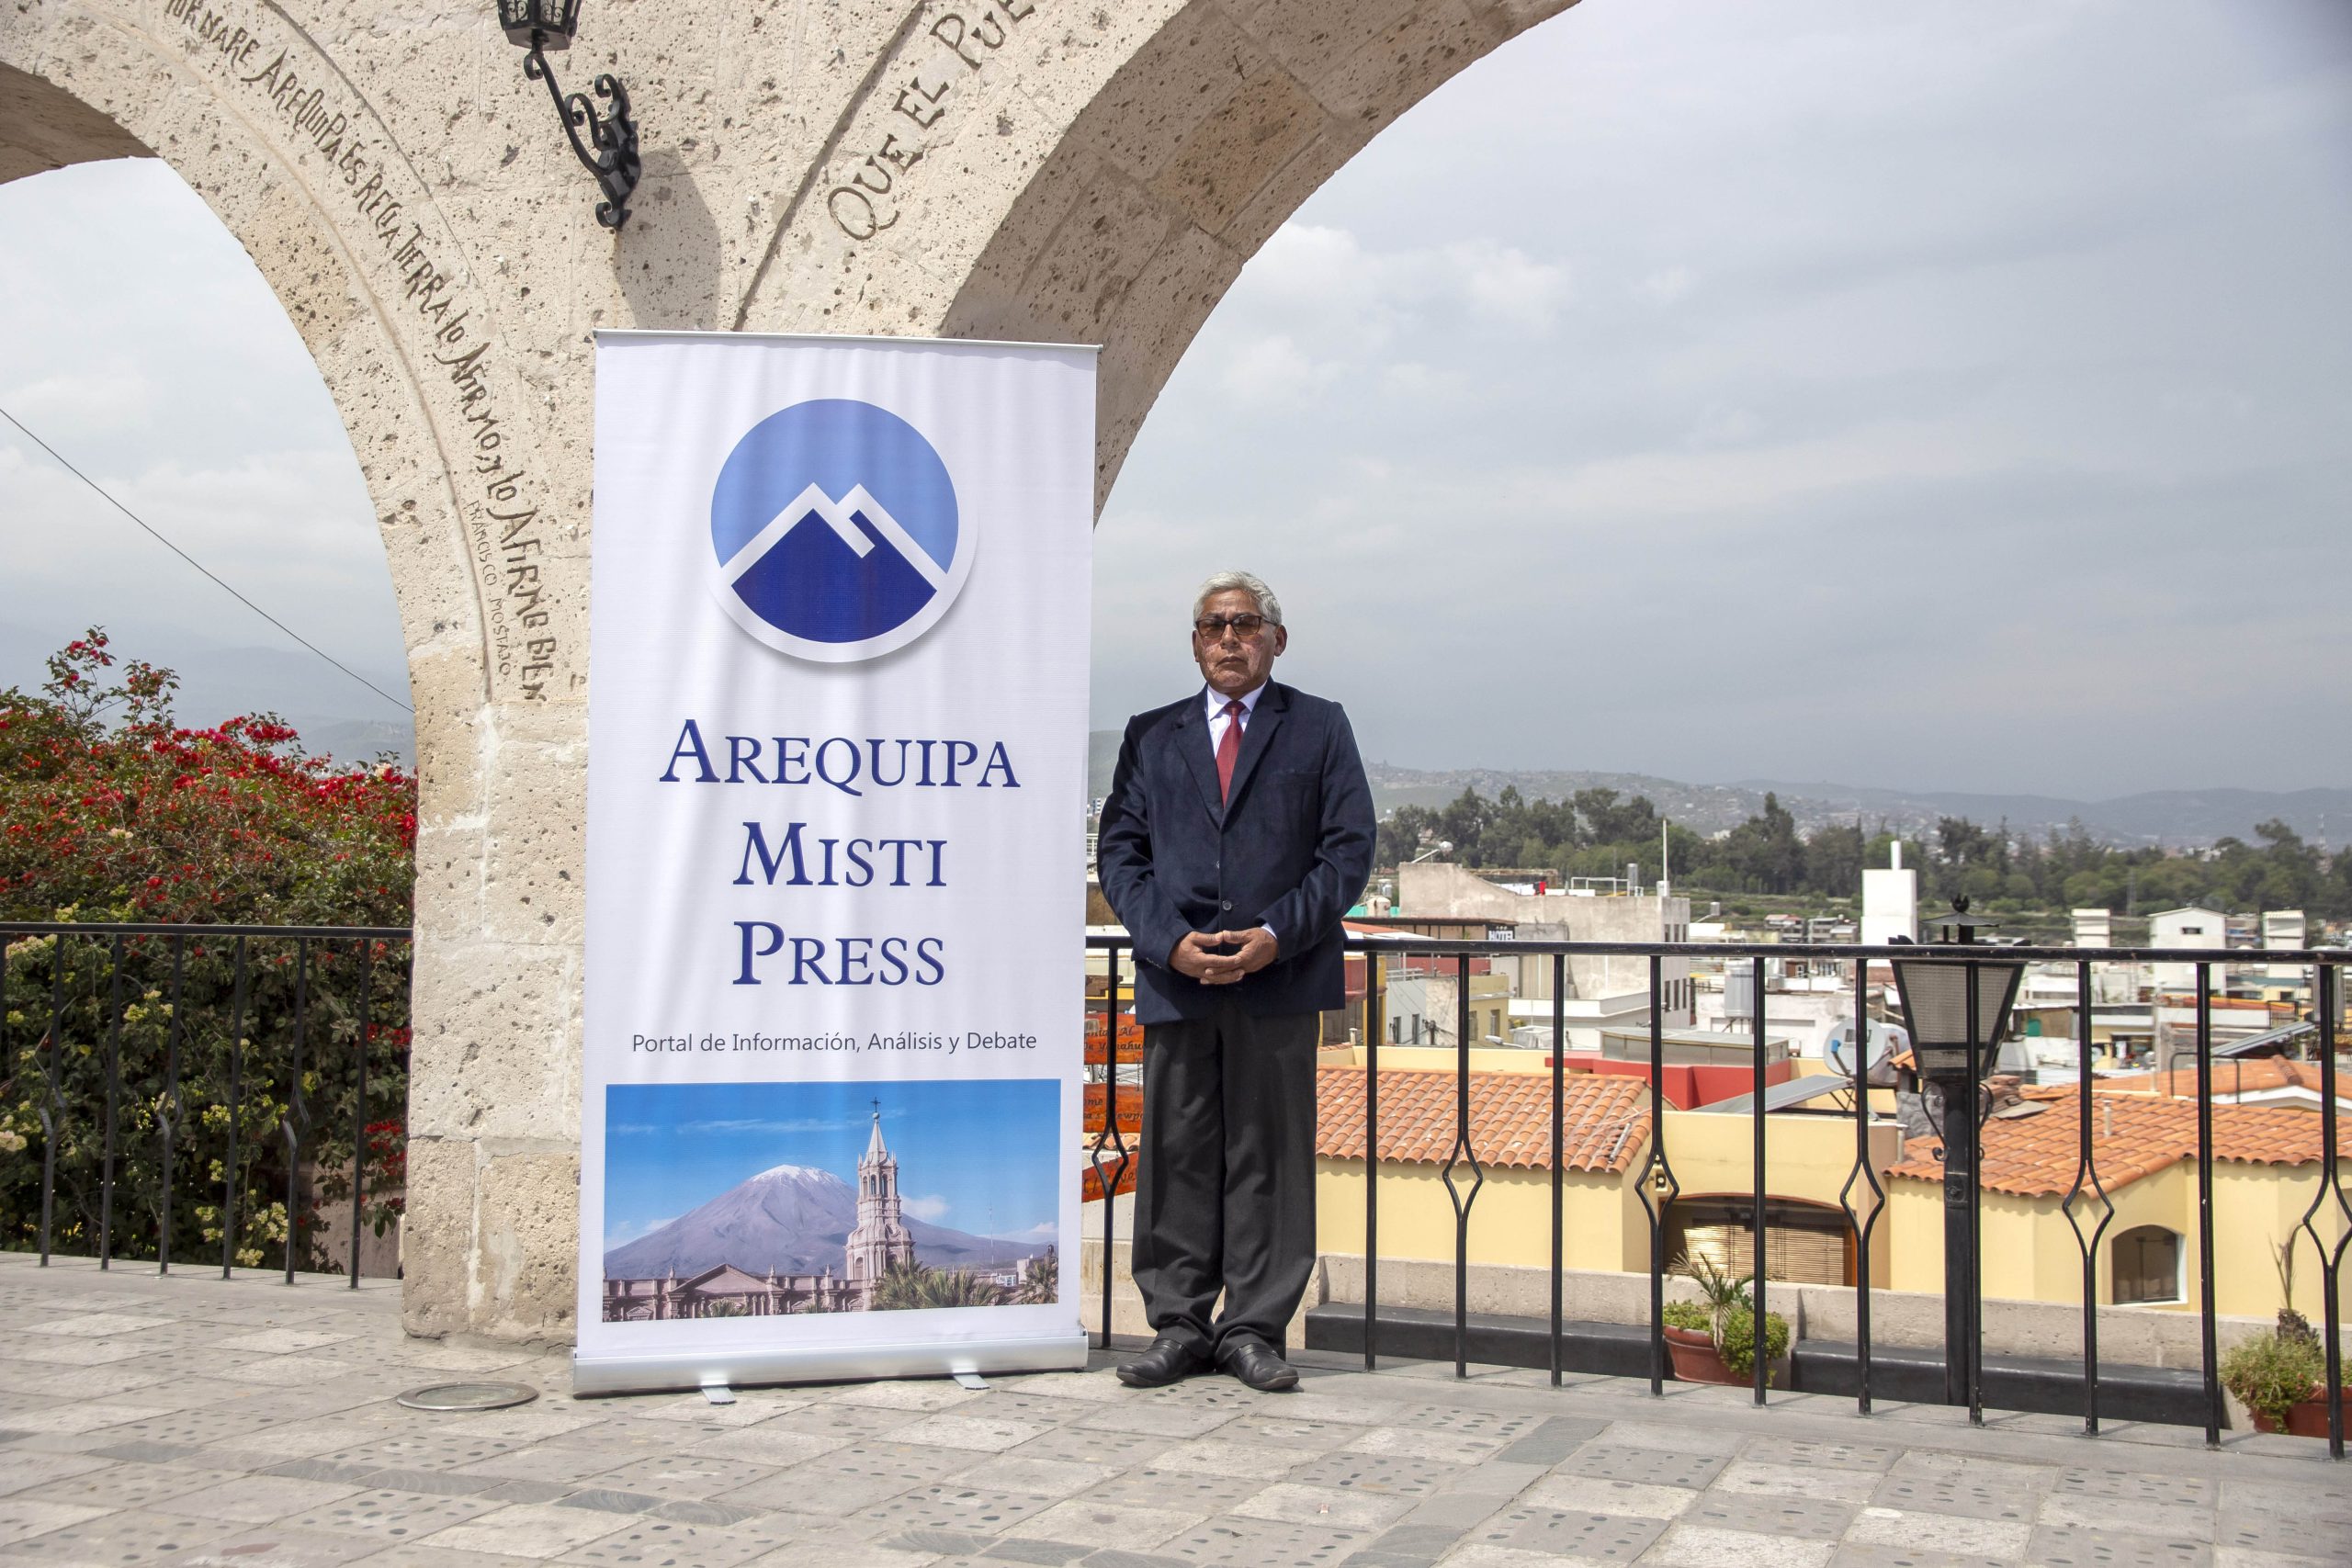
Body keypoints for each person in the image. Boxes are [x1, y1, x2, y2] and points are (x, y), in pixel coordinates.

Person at [1094, 570, 1374, 1393]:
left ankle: (1254, 1328)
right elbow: (1121, 853)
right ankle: (1178, 1326)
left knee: (1267, 1157)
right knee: (1176, 1156)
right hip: (1179, 980)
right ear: (1194, 642)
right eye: (1213, 625)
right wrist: (1170, 942)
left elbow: (1348, 850)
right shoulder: (1152, 735)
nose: (1228, 638)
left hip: (1277, 980)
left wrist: (1276, 935)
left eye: (1245, 624)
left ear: (1275, 640)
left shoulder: (1320, 727)